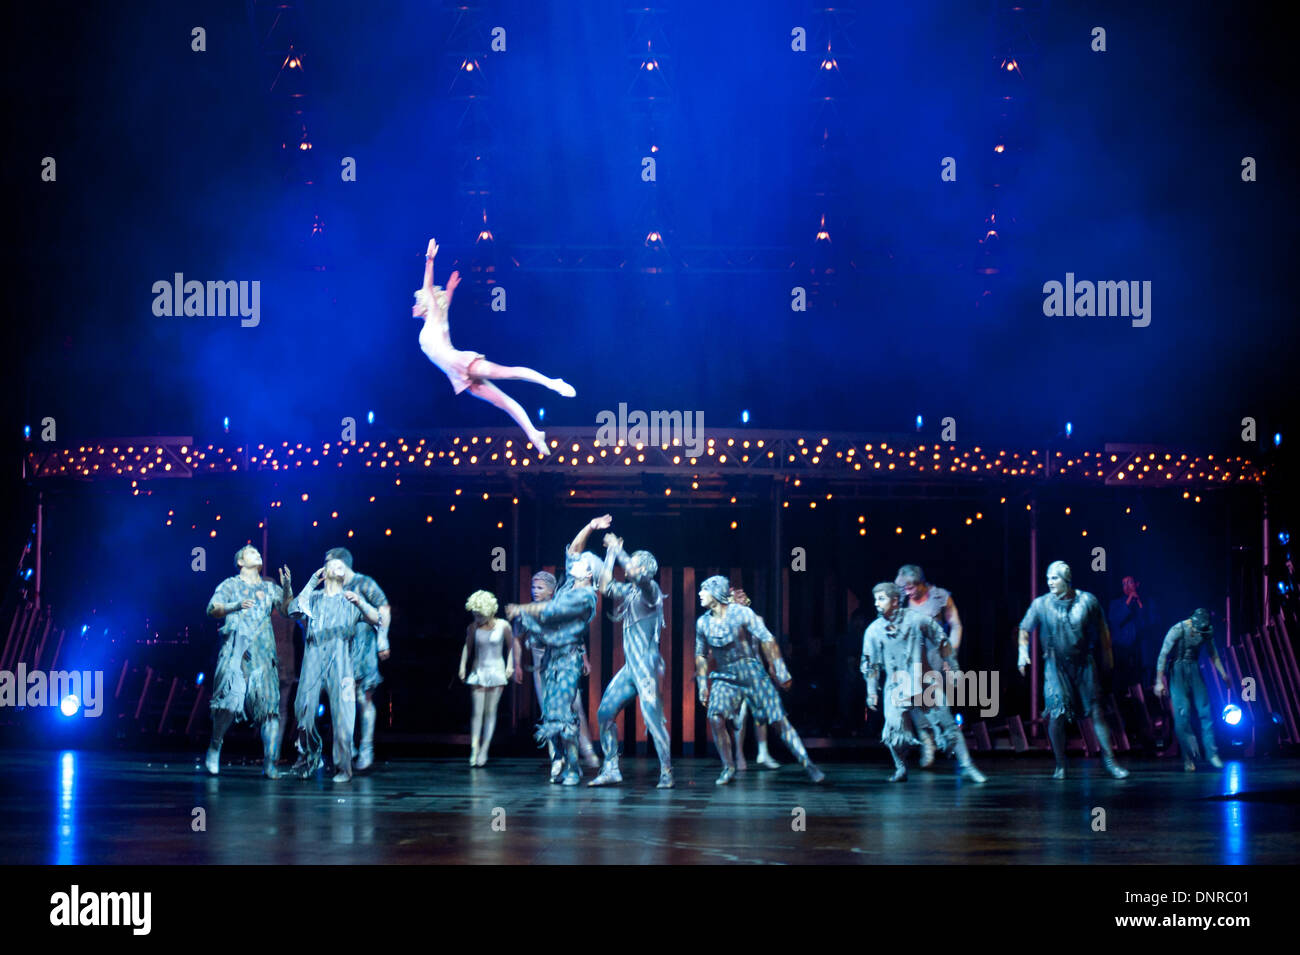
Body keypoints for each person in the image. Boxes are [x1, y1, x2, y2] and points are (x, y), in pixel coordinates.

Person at [414, 237, 574, 457]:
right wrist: (450, 289)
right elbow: (443, 301)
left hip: (459, 363)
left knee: (509, 374)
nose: (414, 306)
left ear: (425, 304)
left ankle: (551, 382)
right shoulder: (438, 316)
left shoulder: (433, 314)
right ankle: (534, 434)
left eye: (417, 302)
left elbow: (428, 288)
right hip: (457, 375)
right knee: (504, 403)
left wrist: (429, 260)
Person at [695, 575, 825, 785]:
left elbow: (767, 638)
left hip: (751, 673)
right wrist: (702, 684)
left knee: (778, 720)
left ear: (717, 593)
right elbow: (700, 654)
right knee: (715, 717)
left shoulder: (741, 613)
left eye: (704, 590)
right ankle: (728, 766)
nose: (700, 594)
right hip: (725, 676)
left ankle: (808, 763)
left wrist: (780, 670)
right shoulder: (703, 622)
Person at [862, 582, 985, 783]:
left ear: (894, 601)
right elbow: (870, 662)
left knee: (948, 726)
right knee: (895, 733)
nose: (876, 603)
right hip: (896, 686)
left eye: (881, 599)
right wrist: (871, 690)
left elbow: (942, 639)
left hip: (924, 681)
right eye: (875, 599)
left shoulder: (916, 620)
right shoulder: (873, 631)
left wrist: (953, 669)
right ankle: (900, 768)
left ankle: (967, 765)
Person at [1018, 560, 1129, 779]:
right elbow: (1024, 627)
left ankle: (1109, 760)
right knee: (1057, 713)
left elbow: (1103, 631)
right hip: (1055, 666)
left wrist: (1108, 659)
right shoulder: (1041, 604)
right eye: (1048, 577)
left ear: (1066, 579)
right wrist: (1023, 653)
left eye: (1055, 578)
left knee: (1097, 712)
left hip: (1083, 664)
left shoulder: (1087, 600)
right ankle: (1060, 764)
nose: (1050, 582)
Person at [586, 526, 674, 788]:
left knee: (653, 720)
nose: (630, 568)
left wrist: (619, 548)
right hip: (630, 669)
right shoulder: (632, 591)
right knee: (604, 713)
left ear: (645, 569)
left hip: (646, 667)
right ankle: (611, 767)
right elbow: (604, 586)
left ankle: (667, 771)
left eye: (635, 565)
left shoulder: (651, 590)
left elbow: (636, 573)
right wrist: (611, 555)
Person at [506, 544, 600, 785]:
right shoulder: (563, 600)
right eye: (533, 587)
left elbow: (571, 633)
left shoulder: (582, 598)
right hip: (546, 666)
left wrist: (523, 609)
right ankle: (563, 761)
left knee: (568, 712)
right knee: (553, 715)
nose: (535, 591)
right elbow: (520, 637)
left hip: (567, 661)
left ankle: (580, 758)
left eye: (540, 587)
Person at [287, 556, 382, 783]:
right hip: (313, 662)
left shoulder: (351, 599)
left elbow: (376, 618)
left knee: (344, 719)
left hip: (342, 665)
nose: (340, 567)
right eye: (335, 565)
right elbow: (292, 611)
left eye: (343, 565)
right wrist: (310, 583)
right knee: (304, 711)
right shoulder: (315, 598)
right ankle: (308, 758)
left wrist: (360, 602)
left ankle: (343, 767)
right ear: (325, 571)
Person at [204, 545, 292, 777]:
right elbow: (212, 608)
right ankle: (215, 745)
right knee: (227, 705)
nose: (258, 554)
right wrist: (235, 605)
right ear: (241, 562)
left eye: (258, 552)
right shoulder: (230, 584)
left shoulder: (268, 587)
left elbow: (287, 611)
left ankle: (270, 761)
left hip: (263, 654)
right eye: (251, 552)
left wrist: (287, 588)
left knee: (269, 709)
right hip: (236, 651)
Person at [321, 547, 391, 773]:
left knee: (364, 698)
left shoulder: (363, 582)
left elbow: (383, 608)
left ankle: (367, 746)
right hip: (341, 648)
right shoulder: (331, 585)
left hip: (364, 647)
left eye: (329, 562)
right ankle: (347, 745)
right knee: (344, 700)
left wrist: (383, 639)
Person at [895, 564, 964, 768]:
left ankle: (947, 740)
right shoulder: (902, 600)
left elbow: (956, 624)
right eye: (905, 588)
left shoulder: (939, 596)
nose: (908, 591)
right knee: (915, 702)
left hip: (936, 656)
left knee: (939, 703)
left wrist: (951, 651)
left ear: (921, 583)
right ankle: (927, 742)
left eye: (911, 587)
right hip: (913, 658)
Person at [1154, 608, 1228, 771]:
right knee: (1182, 714)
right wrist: (1159, 681)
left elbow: (1213, 654)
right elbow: (1163, 654)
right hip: (1178, 670)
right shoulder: (1178, 629)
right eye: (1199, 630)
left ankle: (1211, 753)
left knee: (1205, 711)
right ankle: (1188, 757)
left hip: (1194, 668)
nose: (1201, 633)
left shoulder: (1207, 630)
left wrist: (1223, 674)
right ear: (1193, 623)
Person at [459, 590, 520, 766]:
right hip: (479, 670)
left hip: (496, 670)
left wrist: (510, 665)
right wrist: (463, 666)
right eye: (475, 615)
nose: (476, 618)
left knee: (490, 711)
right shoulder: (472, 627)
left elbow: (511, 646)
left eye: (479, 615)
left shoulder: (503, 626)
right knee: (477, 712)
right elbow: (467, 647)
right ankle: (474, 748)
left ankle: (485, 748)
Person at [727, 588, 780, 771]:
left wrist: (772, 665)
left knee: (760, 712)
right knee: (741, 714)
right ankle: (739, 754)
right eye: (737, 596)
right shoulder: (729, 621)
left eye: (743, 595)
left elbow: (767, 643)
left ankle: (763, 752)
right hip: (738, 671)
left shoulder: (757, 620)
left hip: (756, 670)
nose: (742, 598)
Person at [1108, 576, 1154, 690]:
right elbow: (1115, 620)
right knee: (1125, 677)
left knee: (1144, 678)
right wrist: (1128, 601)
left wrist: (1138, 602)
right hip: (1123, 647)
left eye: (1130, 583)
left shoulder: (1147, 602)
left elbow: (1151, 623)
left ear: (1137, 584)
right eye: (1124, 584)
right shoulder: (1116, 603)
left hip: (1141, 649)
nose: (1127, 586)